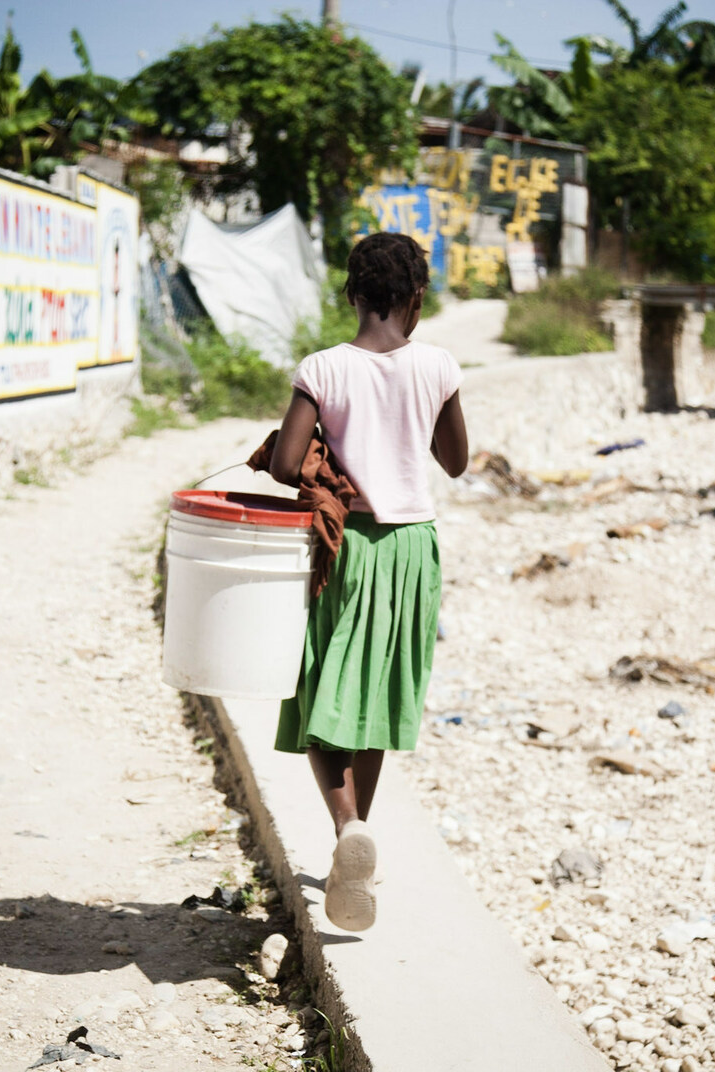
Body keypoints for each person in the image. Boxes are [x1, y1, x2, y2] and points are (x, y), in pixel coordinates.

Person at [264, 232, 468, 932]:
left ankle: (347, 825)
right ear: (417, 298)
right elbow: (455, 460)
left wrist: (327, 446)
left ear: (351, 295)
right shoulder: (437, 365)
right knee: (377, 692)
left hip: (344, 545)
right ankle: (359, 836)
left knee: (322, 686)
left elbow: (288, 465)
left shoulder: (323, 368)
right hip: (411, 549)